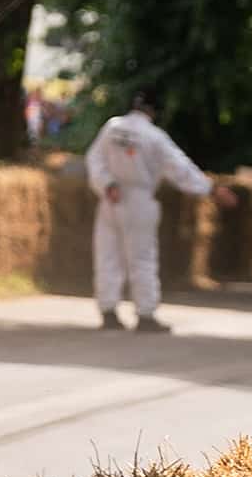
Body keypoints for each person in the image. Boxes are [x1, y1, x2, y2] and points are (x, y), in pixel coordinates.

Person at [86, 90, 237, 333]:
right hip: (139, 198)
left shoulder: (113, 127)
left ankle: (108, 311)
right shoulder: (153, 136)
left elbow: (94, 159)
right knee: (142, 257)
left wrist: (106, 184)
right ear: (153, 111)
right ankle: (145, 314)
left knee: (107, 254)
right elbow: (180, 168)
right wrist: (210, 189)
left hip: (111, 198)